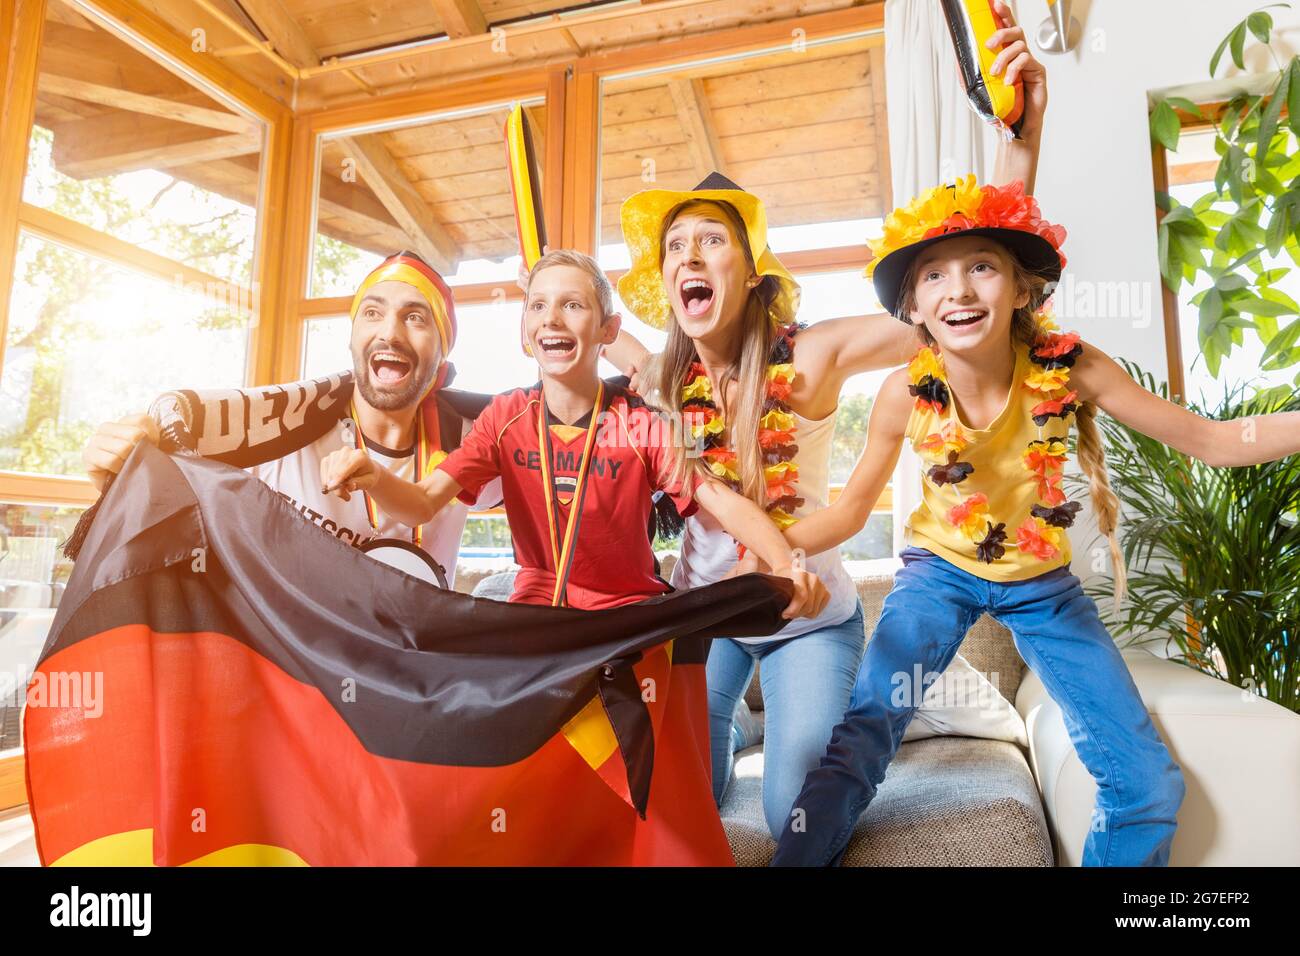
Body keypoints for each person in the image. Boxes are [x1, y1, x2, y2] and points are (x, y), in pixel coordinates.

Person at [601, 3, 1048, 840]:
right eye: (675, 248)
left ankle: (830, 722)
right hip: (708, 619)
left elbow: (950, 306)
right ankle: (732, 731)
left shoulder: (812, 357)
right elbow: (589, 348)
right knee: (673, 790)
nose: (689, 257)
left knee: (794, 816)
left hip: (809, 617)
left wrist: (1019, 142)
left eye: (712, 242)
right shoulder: (662, 381)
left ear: (755, 274)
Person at [768, 175, 1300, 866]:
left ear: (1022, 290)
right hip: (940, 575)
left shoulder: (1071, 368)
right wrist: (757, 541)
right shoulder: (903, 393)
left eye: (981, 267)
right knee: (860, 742)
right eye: (934, 276)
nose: (958, 290)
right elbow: (846, 510)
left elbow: (1216, 440)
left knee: (1146, 782)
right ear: (916, 308)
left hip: (1043, 585)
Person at [320, 248, 829, 618]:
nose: (551, 319)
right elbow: (423, 503)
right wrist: (372, 478)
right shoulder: (505, 418)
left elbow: (722, 498)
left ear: (609, 330)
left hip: (628, 620)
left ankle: (739, 721)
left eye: (572, 305)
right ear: (525, 334)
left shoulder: (646, 423)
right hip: (539, 624)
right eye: (537, 306)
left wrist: (785, 563)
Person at [81, 251, 498, 588]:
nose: (390, 332)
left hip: (407, 674)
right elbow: (175, 530)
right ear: (352, 336)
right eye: (372, 313)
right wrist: (119, 472)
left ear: (442, 349)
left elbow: (551, 482)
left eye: (415, 317)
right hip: (286, 671)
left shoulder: (475, 441)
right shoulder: (274, 430)